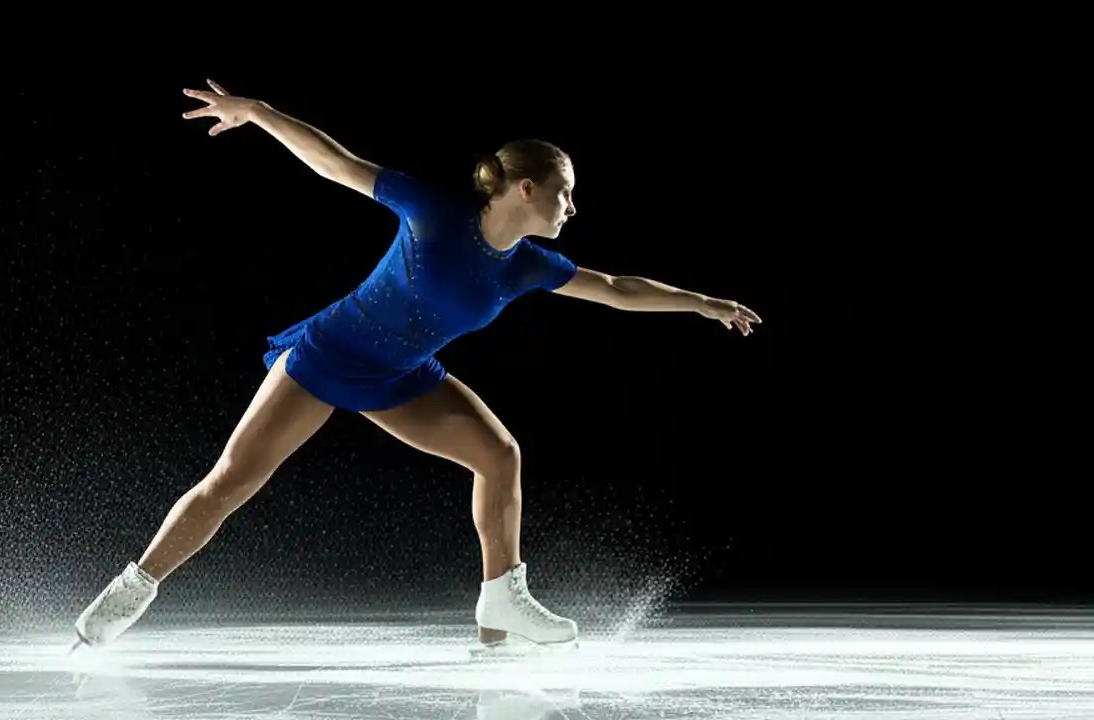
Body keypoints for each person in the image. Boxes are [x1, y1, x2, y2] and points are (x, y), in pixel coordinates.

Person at [70, 79, 760, 652]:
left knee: (499, 455)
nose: (573, 207)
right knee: (232, 482)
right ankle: (130, 591)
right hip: (329, 354)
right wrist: (258, 113)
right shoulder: (435, 212)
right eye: (564, 192)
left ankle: (499, 615)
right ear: (523, 188)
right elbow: (337, 163)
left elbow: (613, 288)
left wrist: (704, 303)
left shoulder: (528, 267)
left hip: (402, 376)